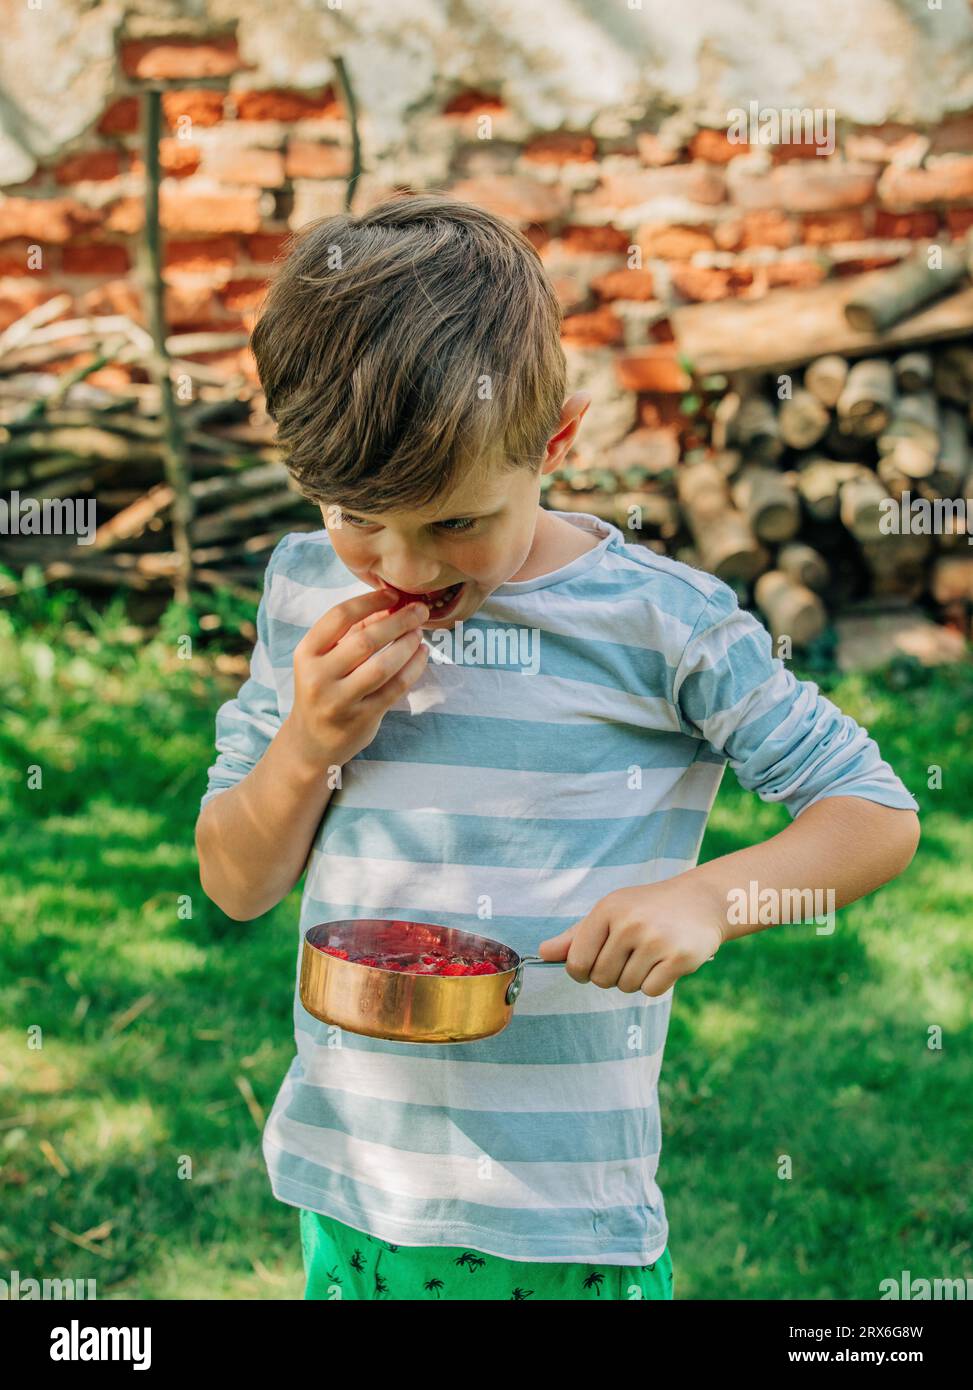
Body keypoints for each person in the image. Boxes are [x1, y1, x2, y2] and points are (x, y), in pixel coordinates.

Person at [195, 193, 920, 1301]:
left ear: (555, 442)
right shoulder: (304, 590)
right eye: (356, 516)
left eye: (454, 523)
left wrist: (708, 900)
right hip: (350, 1187)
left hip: (564, 1213)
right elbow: (236, 883)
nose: (401, 566)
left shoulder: (659, 623)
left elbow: (873, 812)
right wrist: (308, 745)